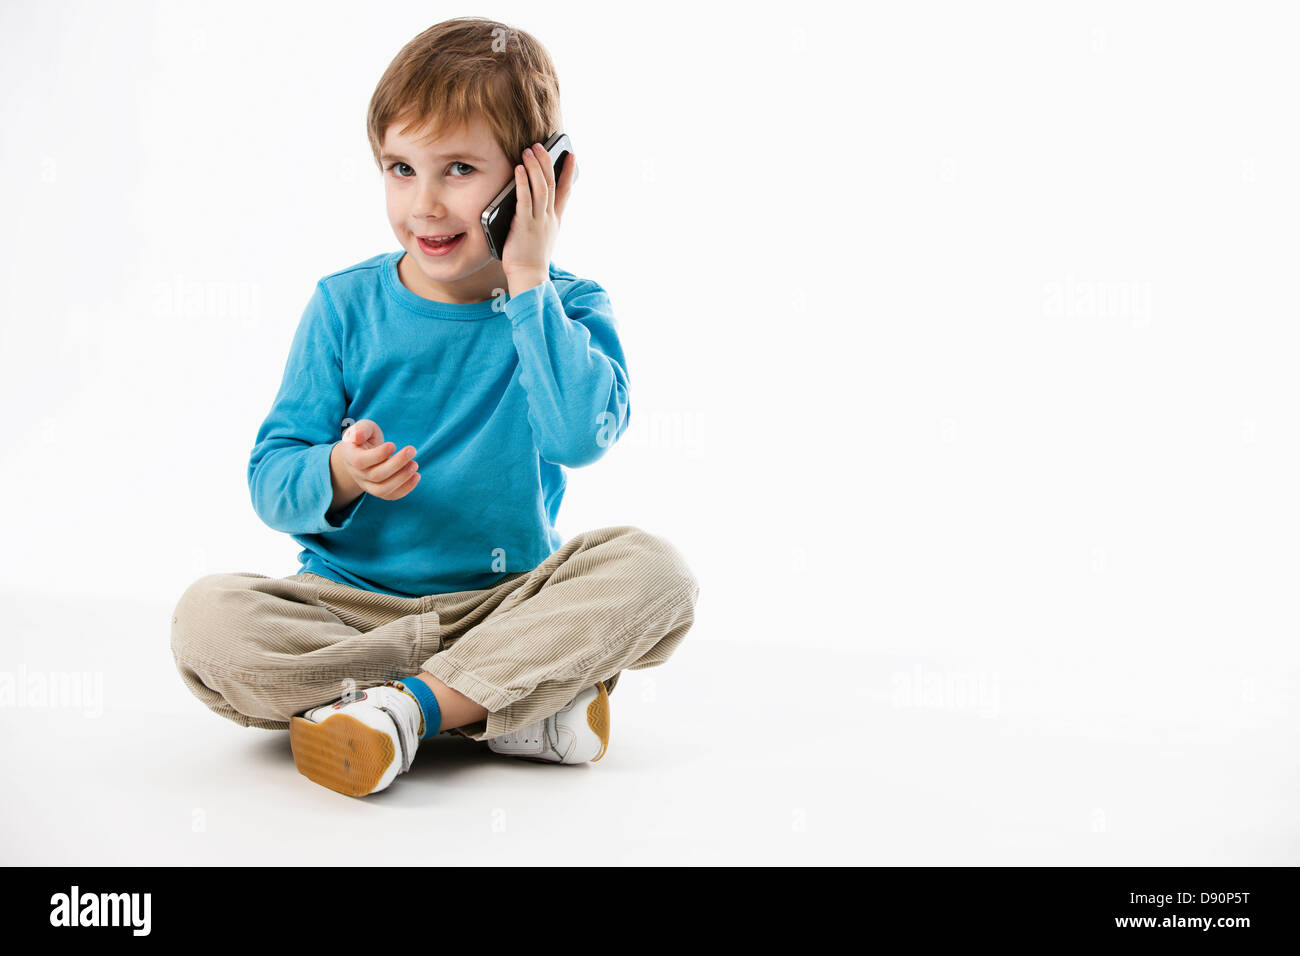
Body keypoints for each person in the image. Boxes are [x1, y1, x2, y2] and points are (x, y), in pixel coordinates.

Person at [169, 17, 700, 798]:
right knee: (207, 623)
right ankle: (498, 701)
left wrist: (528, 281)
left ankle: (407, 710)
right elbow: (271, 480)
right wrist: (341, 473)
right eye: (399, 168)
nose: (423, 205)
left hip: (505, 600)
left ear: (541, 179)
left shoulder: (570, 308)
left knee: (658, 572)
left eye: (457, 168)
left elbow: (577, 436)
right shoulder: (344, 306)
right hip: (350, 611)